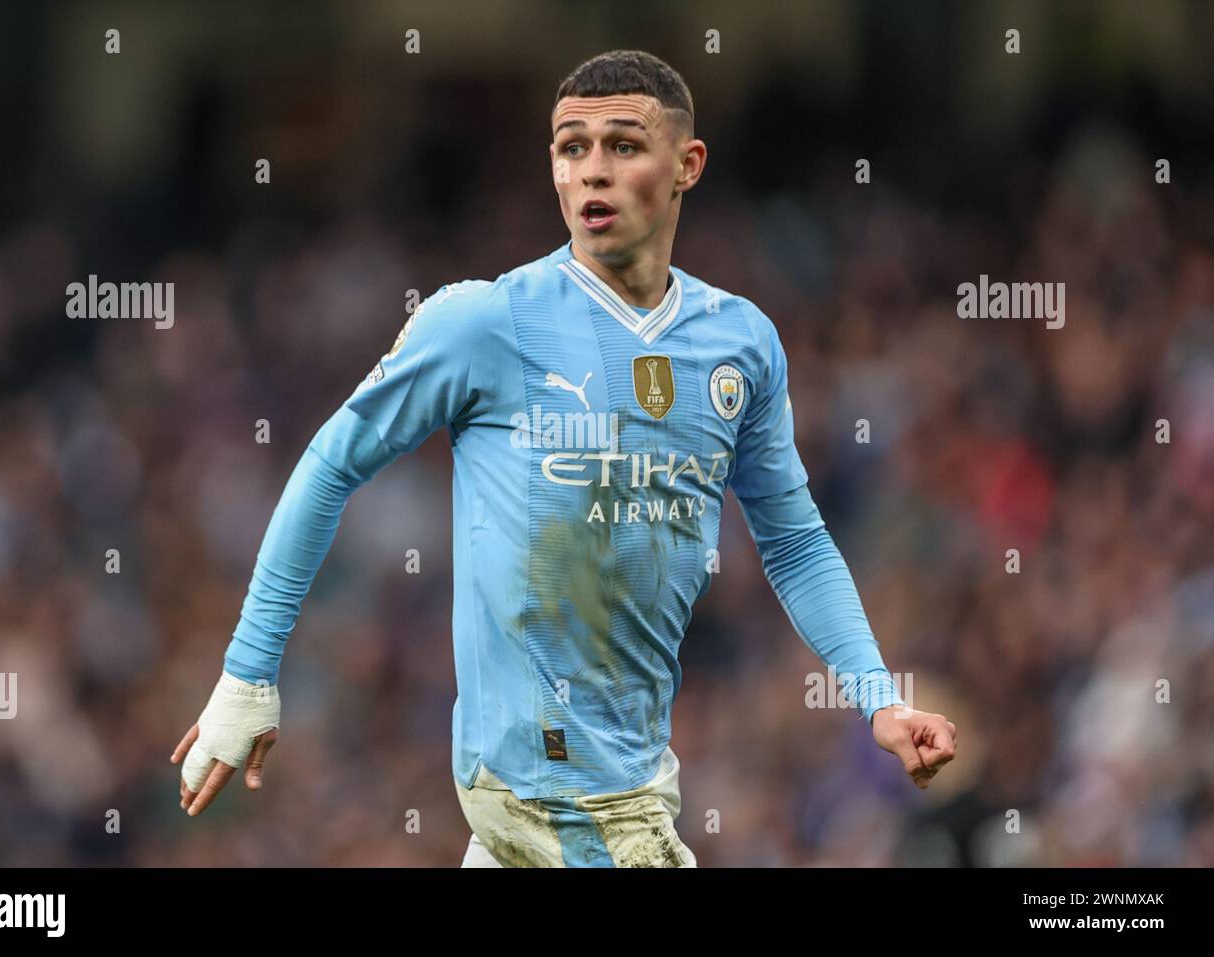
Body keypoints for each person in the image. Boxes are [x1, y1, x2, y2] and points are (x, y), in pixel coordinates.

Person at [171, 49, 957, 867]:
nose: (591, 172)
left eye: (622, 146)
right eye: (570, 147)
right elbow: (331, 462)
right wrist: (247, 675)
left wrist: (878, 698)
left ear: (687, 165)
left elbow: (793, 540)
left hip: (622, 777)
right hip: (556, 794)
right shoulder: (483, 322)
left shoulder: (741, 344)